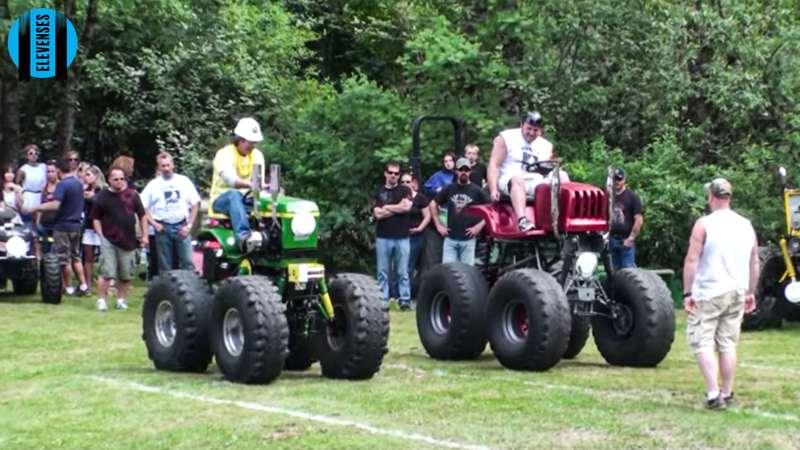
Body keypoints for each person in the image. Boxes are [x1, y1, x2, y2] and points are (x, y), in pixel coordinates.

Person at [682, 178, 758, 409]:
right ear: (729, 197)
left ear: (711, 197)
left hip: (710, 291)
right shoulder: (746, 225)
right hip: (737, 290)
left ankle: (713, 393)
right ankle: (727, 392)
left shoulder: (704, 224)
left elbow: (692, 260)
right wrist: (750, 292)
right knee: (727, 343)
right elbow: (754, 261)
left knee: (702, 341)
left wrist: (687, 293)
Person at [487, 112, 568, 232]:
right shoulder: (506, 138)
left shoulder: (545, 145)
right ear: (522, 125)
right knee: (517, 178)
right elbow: (494, 164)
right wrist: (493, 189)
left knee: (562, 175)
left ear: (540, 131)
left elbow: (545, 167)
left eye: (535, 130)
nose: (531, 133)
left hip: (535, 180)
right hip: (509, 179)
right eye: (528, 129)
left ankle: (564, 218)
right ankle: (522, 220)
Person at [24, 158, 89, 296]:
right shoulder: (78, 184)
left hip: (63, 225)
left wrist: (35, 208)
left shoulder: (63, 185)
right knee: (76, 256)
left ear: (59, 171)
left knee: (63, 259)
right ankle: (84, 286)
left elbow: (55, 204)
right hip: (76, 225)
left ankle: (69, 287)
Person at [91, 167, 148, 311]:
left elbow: (142, 216)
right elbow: (95, 218)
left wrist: (144, 235)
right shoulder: (102, 196)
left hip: (128, 240)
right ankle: (101, 300)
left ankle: (121, 300)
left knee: (126, 273)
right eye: (116, 179)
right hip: (109, 239)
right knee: (107, 272)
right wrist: (101, 235)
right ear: (109, 179)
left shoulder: (132, 195)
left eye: (122, 179)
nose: (119, 182)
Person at [209, 117, 266, 252]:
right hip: (222, 200)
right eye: (251, 143)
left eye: (255, 143)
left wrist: (266, 188)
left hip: (246, 199)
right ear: (240, 140)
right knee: (234, 195)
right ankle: (244, 237)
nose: (253, 146)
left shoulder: (257, 155)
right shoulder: (224, 155)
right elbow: (231, 181)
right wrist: (252, 185)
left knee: (269, 200)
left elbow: (259, 182)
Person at [142, 152, 201, 273]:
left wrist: (189, 225)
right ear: (159, 167)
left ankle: (190, 288)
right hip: (163, 227)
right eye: (163, 166)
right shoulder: (154, 185)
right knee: (165, 265)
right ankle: (167, 290)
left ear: (173, 165)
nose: (166, 168)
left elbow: (195, 204)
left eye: (168, 165)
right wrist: (154, 224)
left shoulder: (184, 181)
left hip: (182, 225)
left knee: (188, 261)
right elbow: (142, 206)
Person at [430, 158, 489, 265]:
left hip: (468, 240)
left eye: (466, 170)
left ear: (470, 172)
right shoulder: (449, 188)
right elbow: (433, 204)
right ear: (456, 171)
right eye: (461, 169)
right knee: (448, 274)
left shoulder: (477, 191)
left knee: (467, 274)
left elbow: (491, 209)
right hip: (450, 239)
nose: (464, 172)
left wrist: (479, 226)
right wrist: (438, 225)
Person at [373, 161, 413, 310]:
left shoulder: (404, 190)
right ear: (385, 173)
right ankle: (383, 300)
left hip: (402, 237)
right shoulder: (379, 191)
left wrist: (387, 207)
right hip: (383, 237)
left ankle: (404, 301)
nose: (393, 176)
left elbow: (407, 207)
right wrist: (398, 208)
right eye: (391, 173)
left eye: (396, 173)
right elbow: (377, 214)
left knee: (403, 271)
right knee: (382, 271)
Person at [609, 168, 644, 269]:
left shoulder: (632, 197)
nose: (617, 182)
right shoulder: (610, 196)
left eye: (619, 179)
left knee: (628, 271)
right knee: (614, 272)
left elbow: (639, 219)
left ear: (624, 180)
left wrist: (631, 238)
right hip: (612, 240)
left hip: (626, 240)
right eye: (614, 179)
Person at [401, 173, 430, 286]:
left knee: (409, 265)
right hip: (400, 235)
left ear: (413, 183)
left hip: (415, 236)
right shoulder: (398, 197)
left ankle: (405, 293)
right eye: (402, 182)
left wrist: (419, 228)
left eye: (407, 182)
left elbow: (427, 216)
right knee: (398, 264)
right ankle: (394, 292)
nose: (405, 184)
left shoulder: (420, 198)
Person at [81, 165, 107, 291]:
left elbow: (105, 206)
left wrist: (93, 198)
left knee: (105, 256)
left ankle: (106, 284)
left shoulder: (103, 190)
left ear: (96, 176)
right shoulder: (85, 189)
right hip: (88, 226)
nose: (86, 178)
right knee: (88, 257)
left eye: (88, 175)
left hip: (102, 226)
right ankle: (88, 284)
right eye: (85, 175)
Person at [15, 144, 48, 229]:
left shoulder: (43, 166)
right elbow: (17, 185)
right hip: (28, 196)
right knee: (28, 223)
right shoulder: (23, 169)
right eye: (31, 153)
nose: (34, 155)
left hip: (41, 195)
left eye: (36, 153)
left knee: (40, 223)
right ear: (27, 155)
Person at [34, 161, 59, 256]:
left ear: (57, 171)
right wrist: (37, 222)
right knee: (45, 248)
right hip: (44, 222)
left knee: (56, 249)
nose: (50, 174)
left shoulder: (61, 186)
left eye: (52, 171)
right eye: (48, 172)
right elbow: (41, 206)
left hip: (57, 223)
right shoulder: (44, 187)